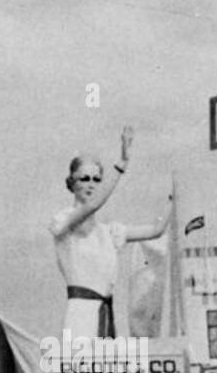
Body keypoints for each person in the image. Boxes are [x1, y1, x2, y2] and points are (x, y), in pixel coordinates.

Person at [49, 126, 168, 340]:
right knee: (82, 371)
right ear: (71, 183)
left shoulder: (108, 232)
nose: (91, 185)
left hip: (105, 314)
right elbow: (93, 205)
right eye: (84, 179)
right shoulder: (64, 221)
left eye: (96, 179)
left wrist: (175, 196)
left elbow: (156, 230)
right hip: (81, 317)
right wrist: (120, 165)